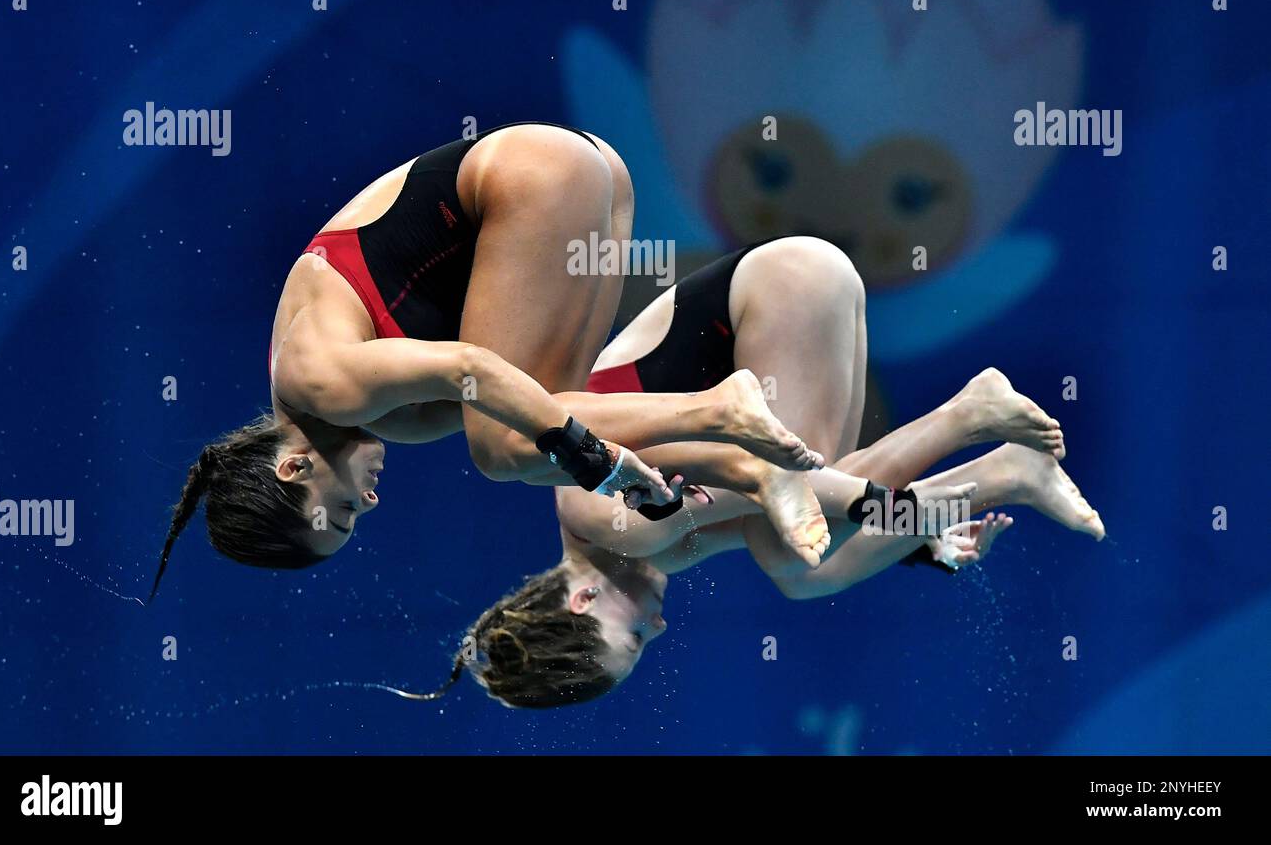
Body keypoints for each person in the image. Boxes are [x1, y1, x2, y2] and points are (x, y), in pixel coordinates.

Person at [150, 125, 829, 601]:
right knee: (529, 448)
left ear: (292, 466)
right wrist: (611, 466)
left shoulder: (315, 380)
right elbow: (538, 406)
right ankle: (750, 467)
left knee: (507, 445)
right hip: (585, 175)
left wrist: (599, 463)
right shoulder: (392, 417)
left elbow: (470, 364)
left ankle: (723, 407)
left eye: (345, 511)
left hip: (534, 175)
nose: (370, 499)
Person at [442, 237, 1103, 708]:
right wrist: (917, 539)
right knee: (797, 566)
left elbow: (785, 479)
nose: (660, 627)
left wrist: (907, 516)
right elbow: (785, 513)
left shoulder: (599, 514)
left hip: (783, 287)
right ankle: (1009, 468)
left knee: (793, 500)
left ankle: (974, 418)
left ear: (581, 601)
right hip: (803, 291)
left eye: (635, 635)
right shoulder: (644, 548)